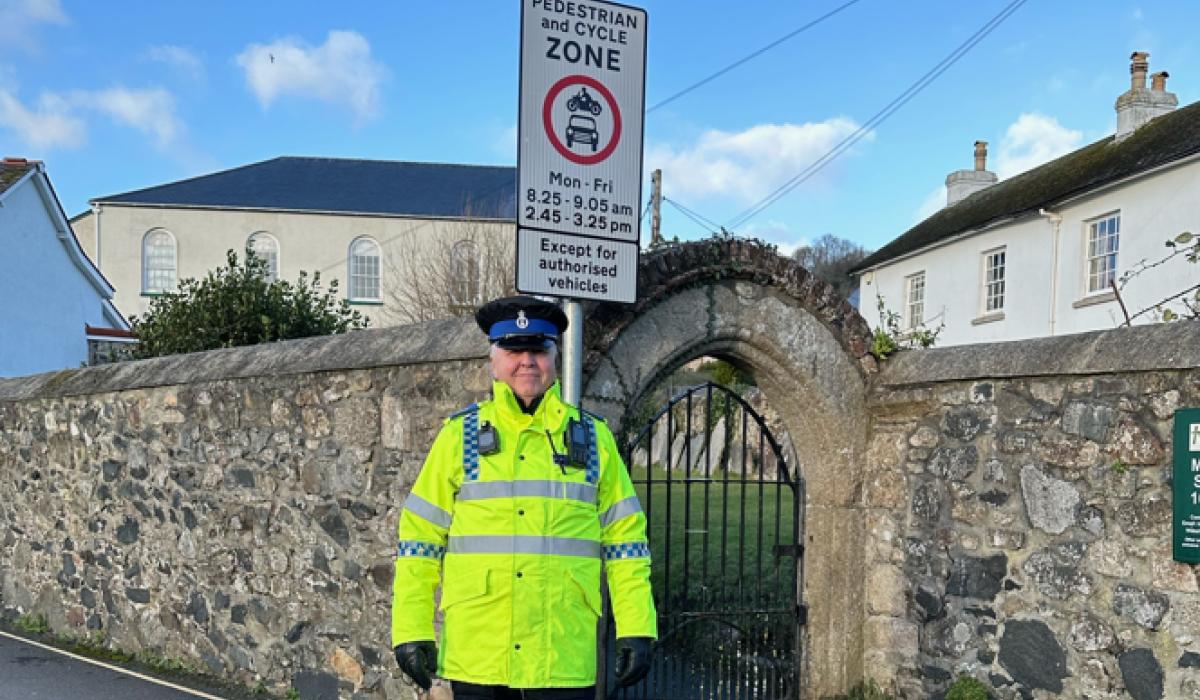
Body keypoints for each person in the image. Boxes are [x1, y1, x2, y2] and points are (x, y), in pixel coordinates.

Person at [391, 296, 656, 699]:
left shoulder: (593, 438)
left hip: (561, 654)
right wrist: (411, 628)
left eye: (539, 349)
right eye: (514, 350)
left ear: (555, 358)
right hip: (479, 654)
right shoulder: (458, 437)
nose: (527, 361)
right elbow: (419, 539)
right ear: (493, 360)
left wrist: (637, 626)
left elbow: (626, 542)